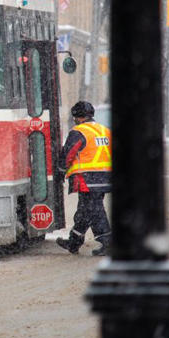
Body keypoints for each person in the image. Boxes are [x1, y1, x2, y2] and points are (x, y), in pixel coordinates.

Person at [56, 100, 113, 256]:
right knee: (85, 210)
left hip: (87, 178)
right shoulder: (104, 131)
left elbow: (68, 153)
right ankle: (74, 242)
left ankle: (108, 242)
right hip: (105, 177)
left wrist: (60, 171)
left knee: (94, 210)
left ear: (78, 117)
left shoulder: (79, 131)